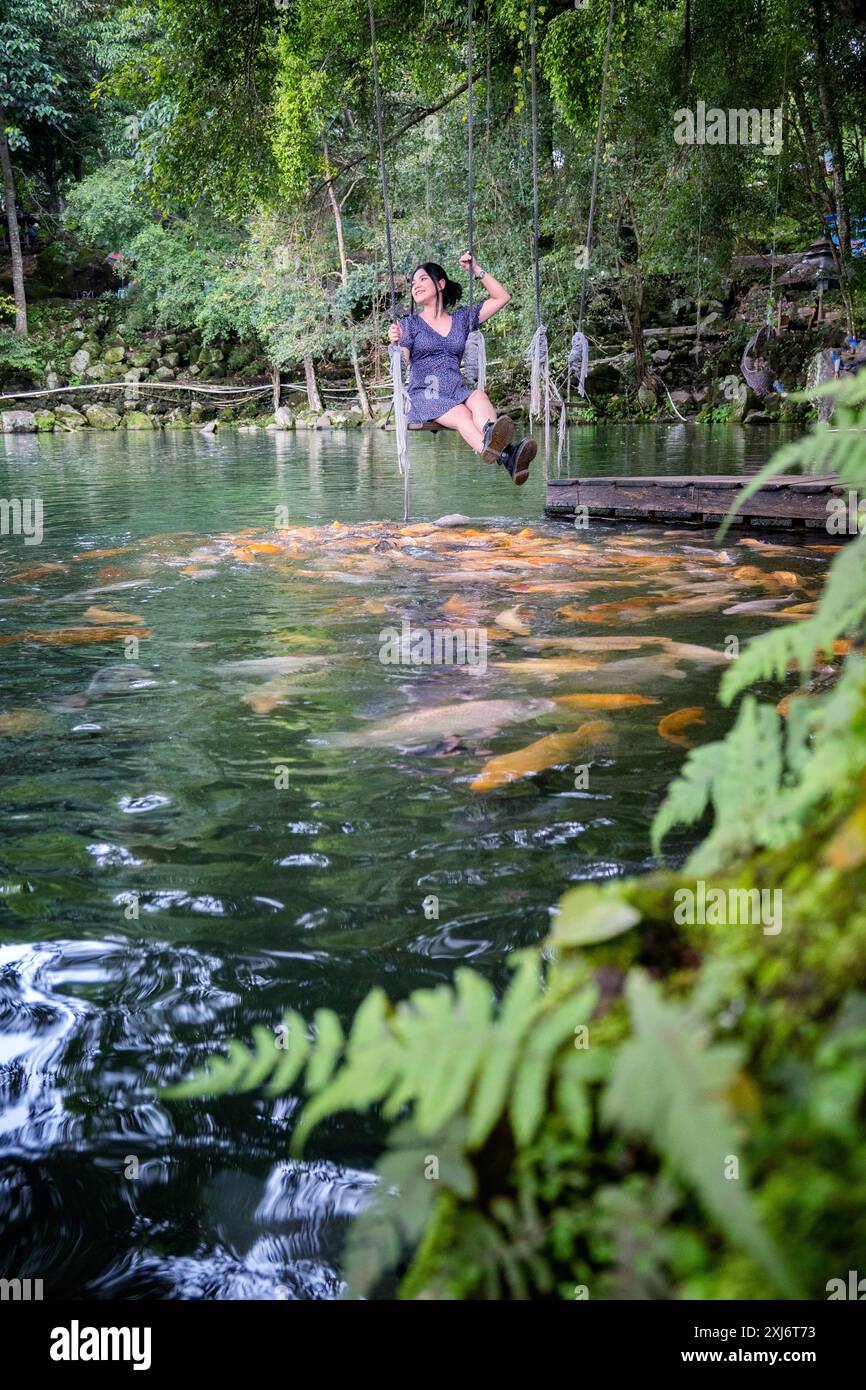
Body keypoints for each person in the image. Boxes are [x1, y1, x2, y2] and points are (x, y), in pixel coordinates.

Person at [387, 254, 537, 485]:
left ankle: (492, 436)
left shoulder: (462, 319)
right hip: (425, 394)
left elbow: (502, 297)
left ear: (440, 284)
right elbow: (399, 366)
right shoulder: (409, 325)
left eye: (422, 279)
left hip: (456, 391)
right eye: (413, 283)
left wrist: (476, 269)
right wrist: (395, 344)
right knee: (461, 415)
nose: (415, 285)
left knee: (477, 395)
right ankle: (506, 454)